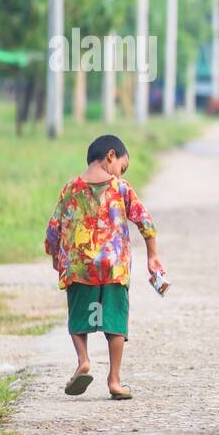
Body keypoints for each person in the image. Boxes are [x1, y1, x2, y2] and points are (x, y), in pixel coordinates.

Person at [45, 135, 163, 401]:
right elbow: (145, 221)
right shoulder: (121, 189)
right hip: (114, 267)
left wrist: (57, 258)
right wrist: (152, 256)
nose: (122, 172)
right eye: (123, 166)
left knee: (78, 319)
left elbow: (53, 229)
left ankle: (84, 360)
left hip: (80, 267)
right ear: (111, 155)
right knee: (115, 322)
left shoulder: (70, 189)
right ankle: (115, 380)